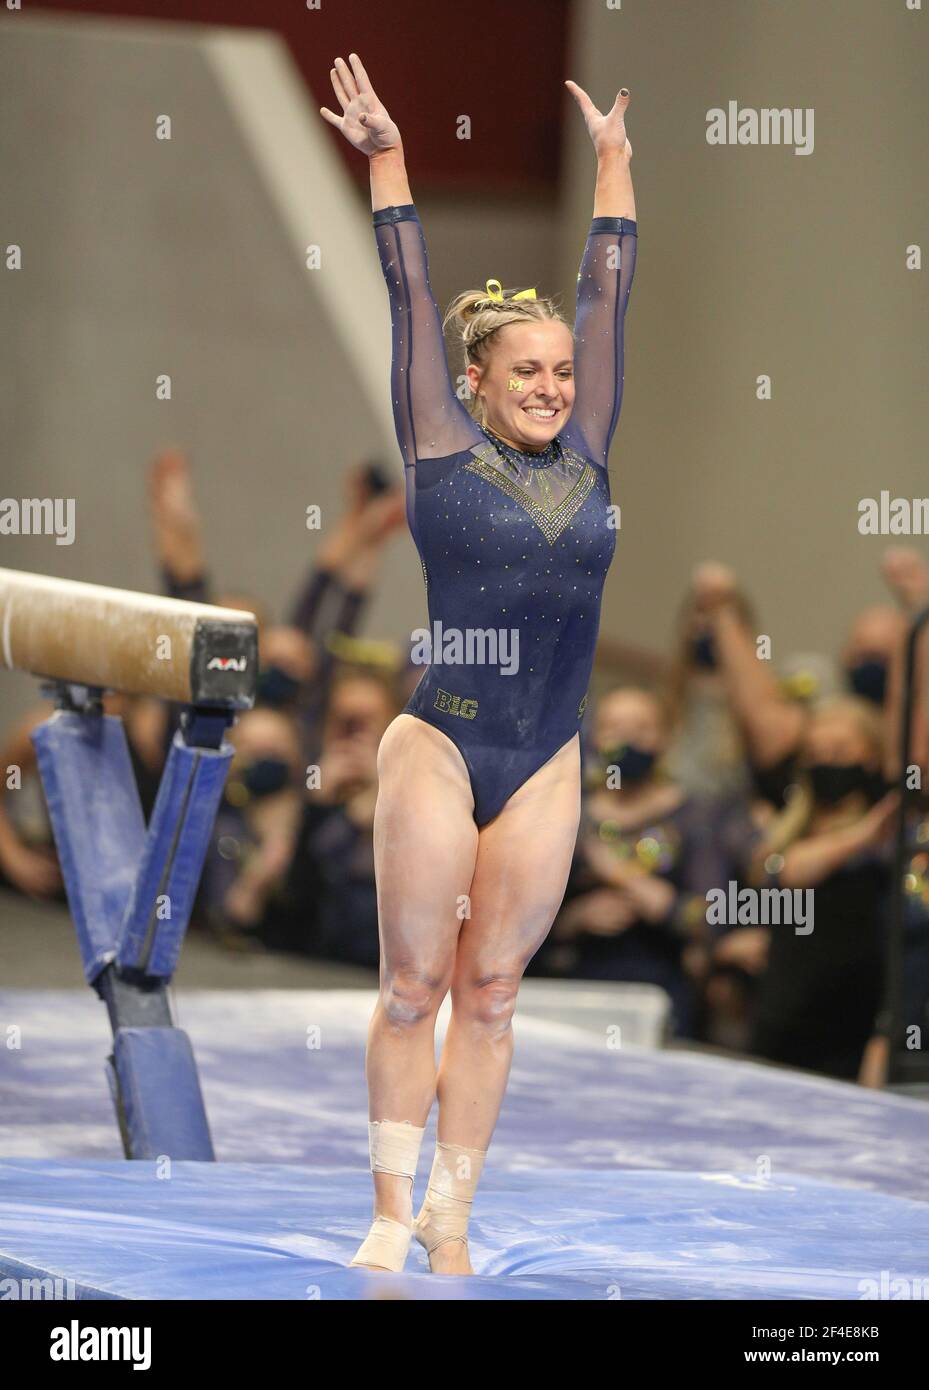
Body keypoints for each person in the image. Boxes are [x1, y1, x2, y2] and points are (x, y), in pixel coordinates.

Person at [320, 52, 637, 1273]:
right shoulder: (438, 447)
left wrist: (610, 166)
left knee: (493, 989)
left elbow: (607, 297)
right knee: (414, 981)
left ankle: (454, 1212)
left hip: (546, 755)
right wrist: (389, 155)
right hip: (443, 744)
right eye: (528, 372)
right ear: (475, 384)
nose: (553, 386)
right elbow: (409, 290)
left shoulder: (592, 448)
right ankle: (392, 1211)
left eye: (561, 372)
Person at [748, 697, 898, 1081]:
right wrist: (860, 837)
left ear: (873, 758)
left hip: (857, 1026)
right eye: (817, 753)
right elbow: (787, 872)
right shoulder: (790, 830)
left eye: (841, 751)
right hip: (785, 1020)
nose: (828, 762)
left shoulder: (892, 837)